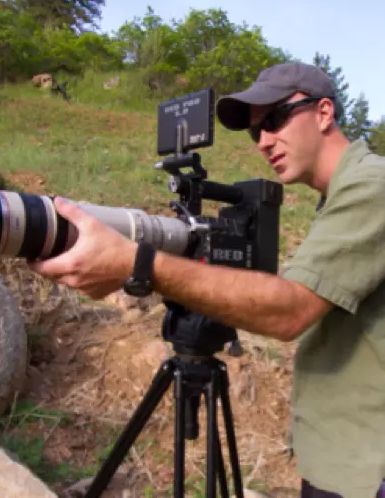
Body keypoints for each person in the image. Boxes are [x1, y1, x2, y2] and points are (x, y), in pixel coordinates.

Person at [28, 61, 385, 498]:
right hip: (341, 457)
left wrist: (139, 264)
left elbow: (290, 311)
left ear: (324, 112)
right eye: (256, 132)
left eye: (273, 120)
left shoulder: (372, 187)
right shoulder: (342, 195)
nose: (264, 142)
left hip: (364, 471)